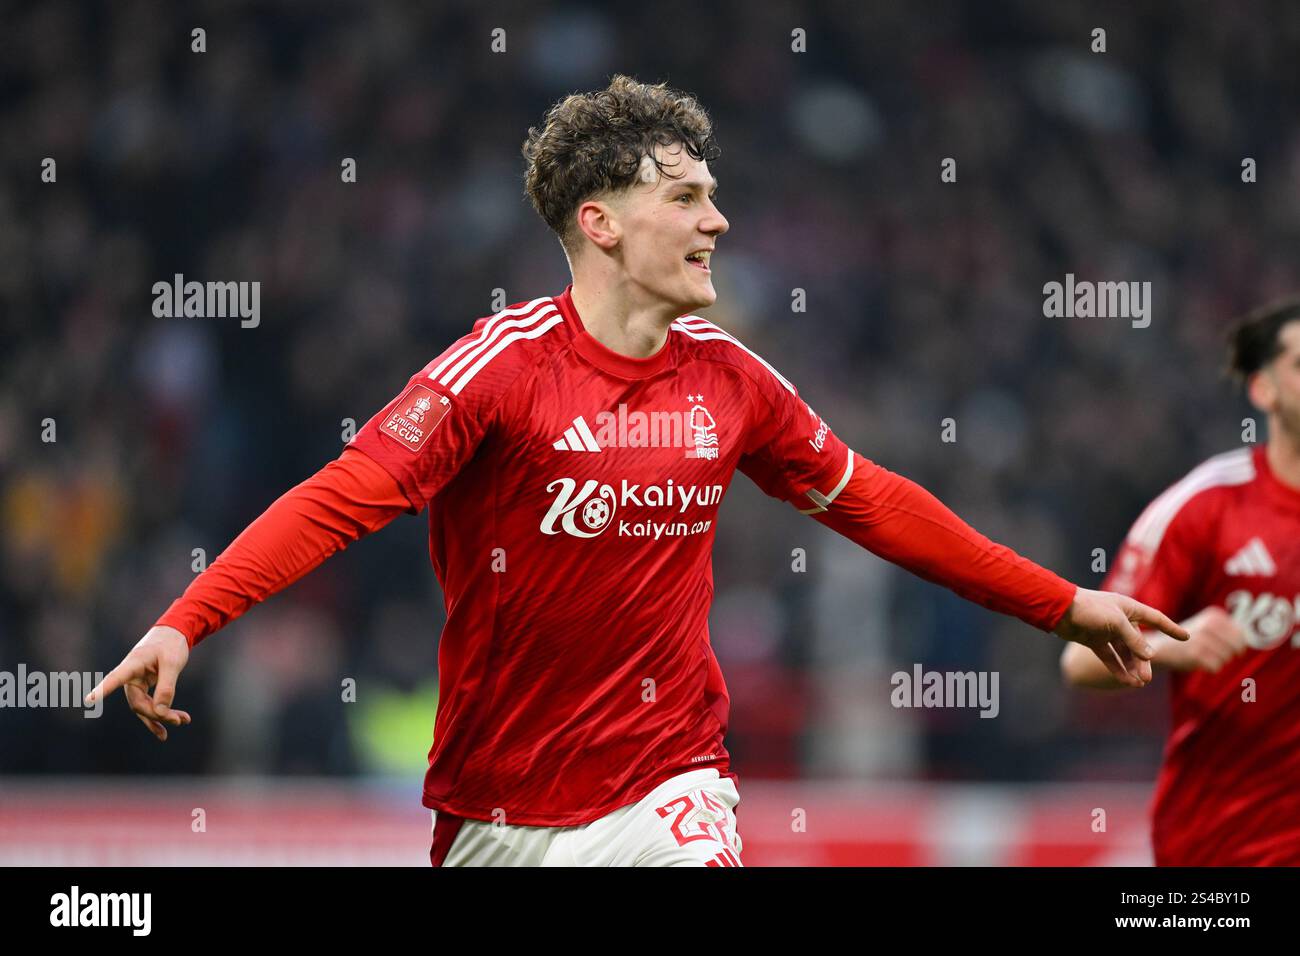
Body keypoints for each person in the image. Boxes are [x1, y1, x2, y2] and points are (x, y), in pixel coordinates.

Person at [88, 75, 1186, 867]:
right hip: (498, 811)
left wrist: (1063, 605)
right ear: (600, 222)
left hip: (672, 786)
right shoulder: (499, 371)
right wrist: (187, 620)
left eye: (713, 193)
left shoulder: (732, 380)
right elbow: (338, 501)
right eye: (686, 198)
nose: (717, 218)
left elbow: (878, 505)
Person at [1061, 298, 1300, 865]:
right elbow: (1079, 662)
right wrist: (1173, 645)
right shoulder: (1206, 506)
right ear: (1262, 390)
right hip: (1228, 846)